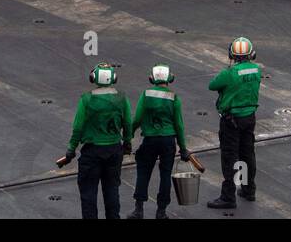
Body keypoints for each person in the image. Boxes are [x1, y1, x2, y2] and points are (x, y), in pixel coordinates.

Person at [56, 62, 132, 219]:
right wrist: (127, 143)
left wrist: (71, 150)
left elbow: (78, 127)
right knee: (112, 190)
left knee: (88, 193)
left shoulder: (86, 100)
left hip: (92, 153)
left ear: (93, 78)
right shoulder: (121, 98)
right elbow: (128, 123)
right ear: (114, 78)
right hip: (114, 150)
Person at [128, 64, 194, 220]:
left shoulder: (146, 94)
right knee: (165, 175)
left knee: (143, 172)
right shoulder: (174, 97)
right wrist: (183, 148)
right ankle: (161, 211)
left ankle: (138, 210)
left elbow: (137, 119)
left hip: (150, 140)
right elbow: (179, 125)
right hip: (168, 141)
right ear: (170, 78)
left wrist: (127, 138)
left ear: (152, 78)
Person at [207, 36, 261, 209]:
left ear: (232, 55)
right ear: (251, 54)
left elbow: (212, 85)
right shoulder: (256, 70)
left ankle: (228, 197)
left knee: (229, 157)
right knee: (247, 154)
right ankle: (248, 190)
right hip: (249, 118)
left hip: (231, 120)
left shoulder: (229, 73)